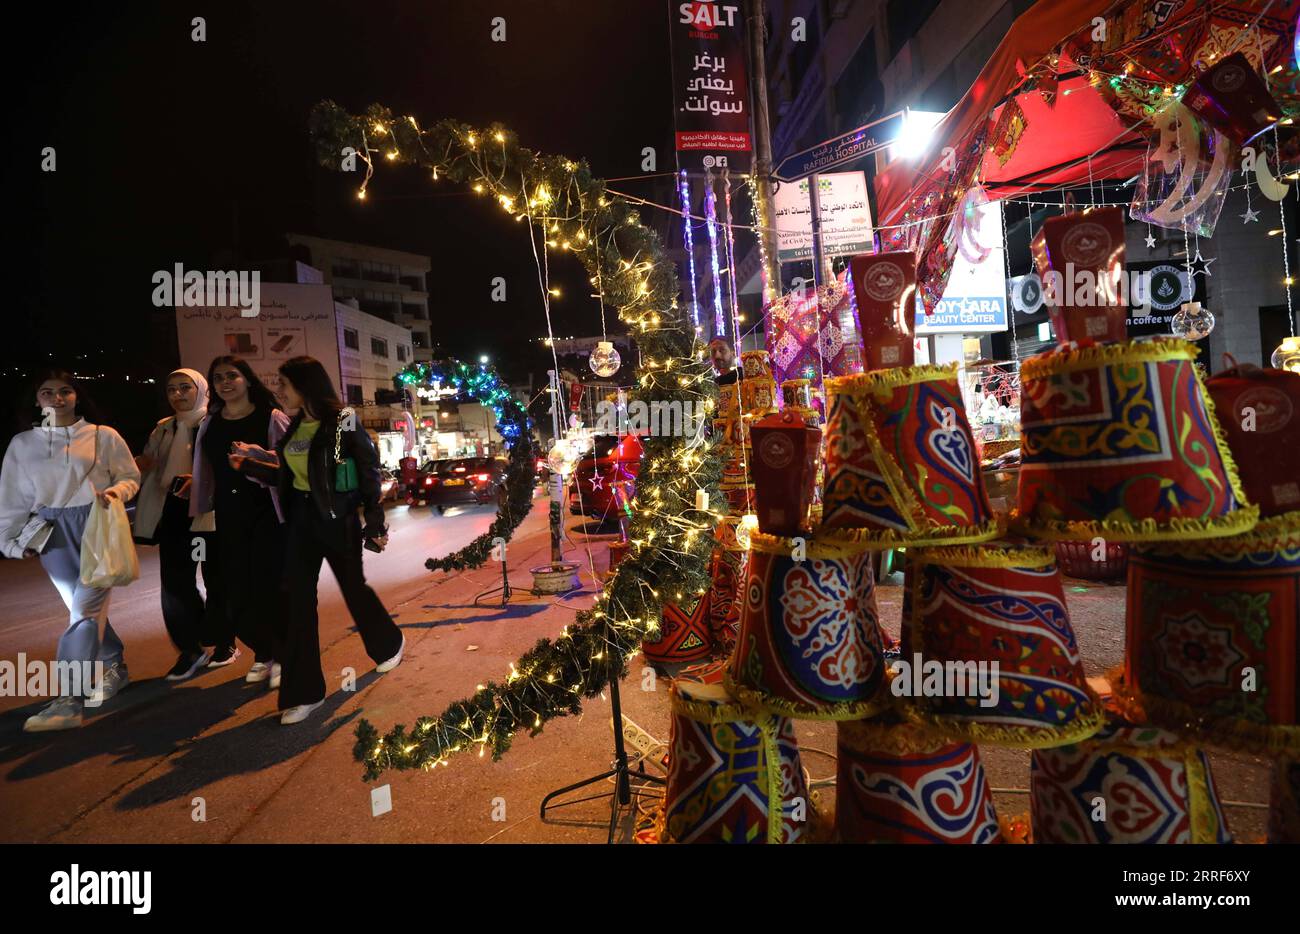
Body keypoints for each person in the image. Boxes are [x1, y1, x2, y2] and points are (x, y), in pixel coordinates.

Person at [236, 356, 402, 724]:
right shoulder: (294, 426)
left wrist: (373, 521)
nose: (279, 391)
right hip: (299, 522)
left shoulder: (341, 421)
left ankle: (389, 643)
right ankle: (305, 692)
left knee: (353, 590)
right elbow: (292, 476)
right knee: (296, 604)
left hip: (336, 519)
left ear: (304, 385)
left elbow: (367, 470)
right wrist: (249, 464)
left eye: (284, 384)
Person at [0, 369, 141, 731]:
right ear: (37, 399)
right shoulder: (22, 443)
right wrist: (10, 542)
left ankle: (68, 700)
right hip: (53, 535)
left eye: (66, 391)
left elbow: (130, 477)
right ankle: (114, 666)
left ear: (77, 396)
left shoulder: (103, 436)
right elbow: (13, 497)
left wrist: (116, 493)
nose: (57, 398)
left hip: (100, 525)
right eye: (48, 392)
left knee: (84, 612)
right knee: (81, 611)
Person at [190, 356, 290, 684]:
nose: (225, 382)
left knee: (268, 588)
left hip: (267, 511)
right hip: (228, 514)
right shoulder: (210, 423)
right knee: (237, 592)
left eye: (232, 375)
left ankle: (279, 657)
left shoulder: (270, 417)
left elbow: (292, 462)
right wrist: (199, 497)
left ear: (247, 379)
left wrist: (255, 455)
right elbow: (206, 469)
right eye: (218, 378)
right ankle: (265, 650)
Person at [133, 368, 222, 682]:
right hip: (172, 511)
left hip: (208, 511)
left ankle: (234, 641)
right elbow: (147, 463)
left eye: (185, 387)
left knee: (220, 580)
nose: (178, 394)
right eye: (171, 389)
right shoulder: (164, 428)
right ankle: (191, 649)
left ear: (200, 389)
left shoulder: (214, 422)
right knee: (175, 585)